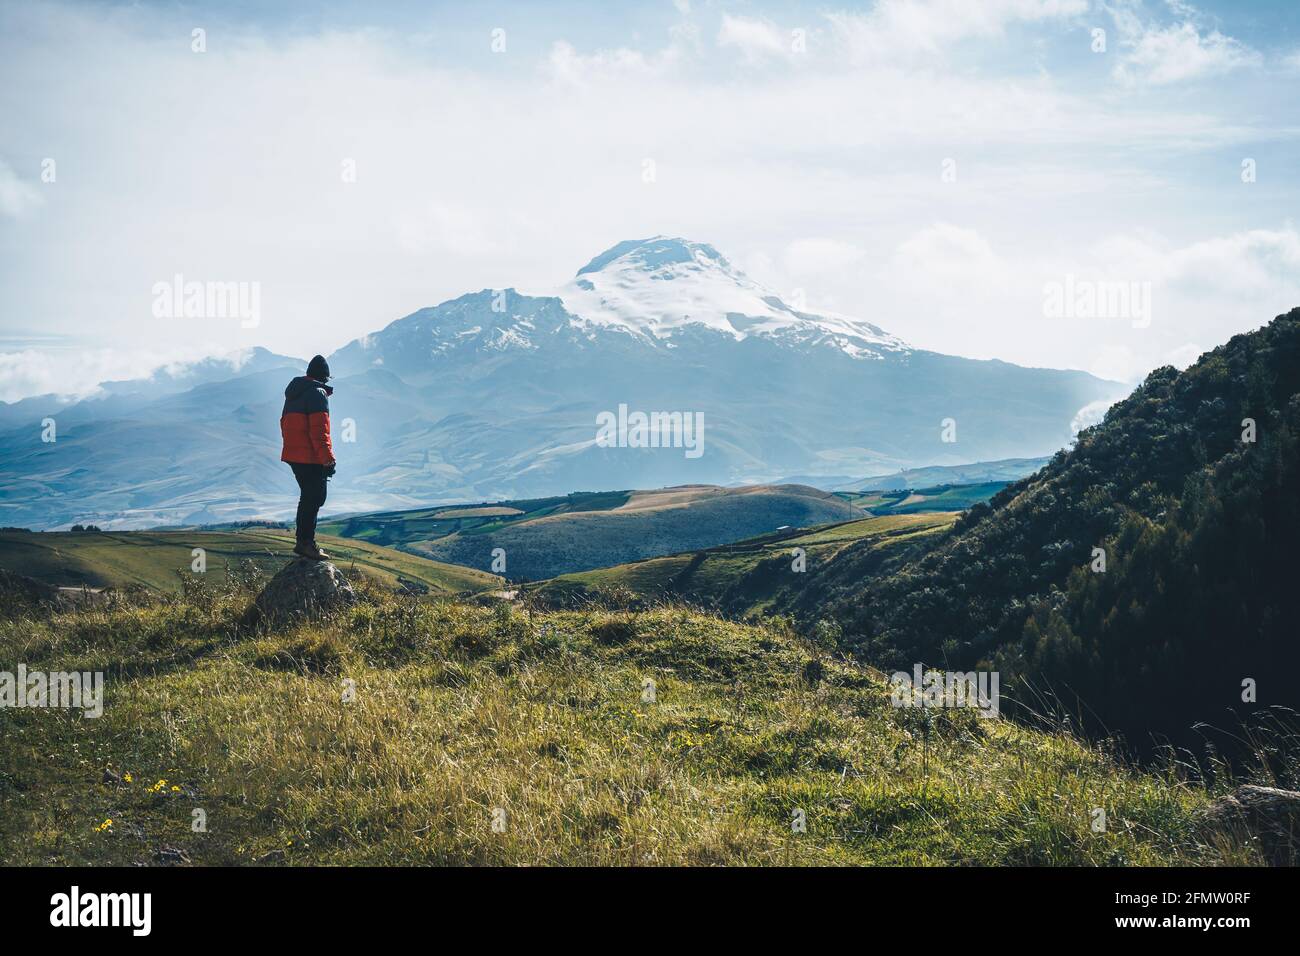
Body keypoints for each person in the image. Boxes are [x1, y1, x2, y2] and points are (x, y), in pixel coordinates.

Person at [280, 354, 336, 560]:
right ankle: (306, 543)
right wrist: (327, 459)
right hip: (309, 456)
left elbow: (285, 424)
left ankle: (304, 542)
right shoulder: (317, 393)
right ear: (325, 378)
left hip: (294, 454)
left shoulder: (294, 394)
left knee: (309, 497)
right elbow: (319, 431)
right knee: (314, 497)